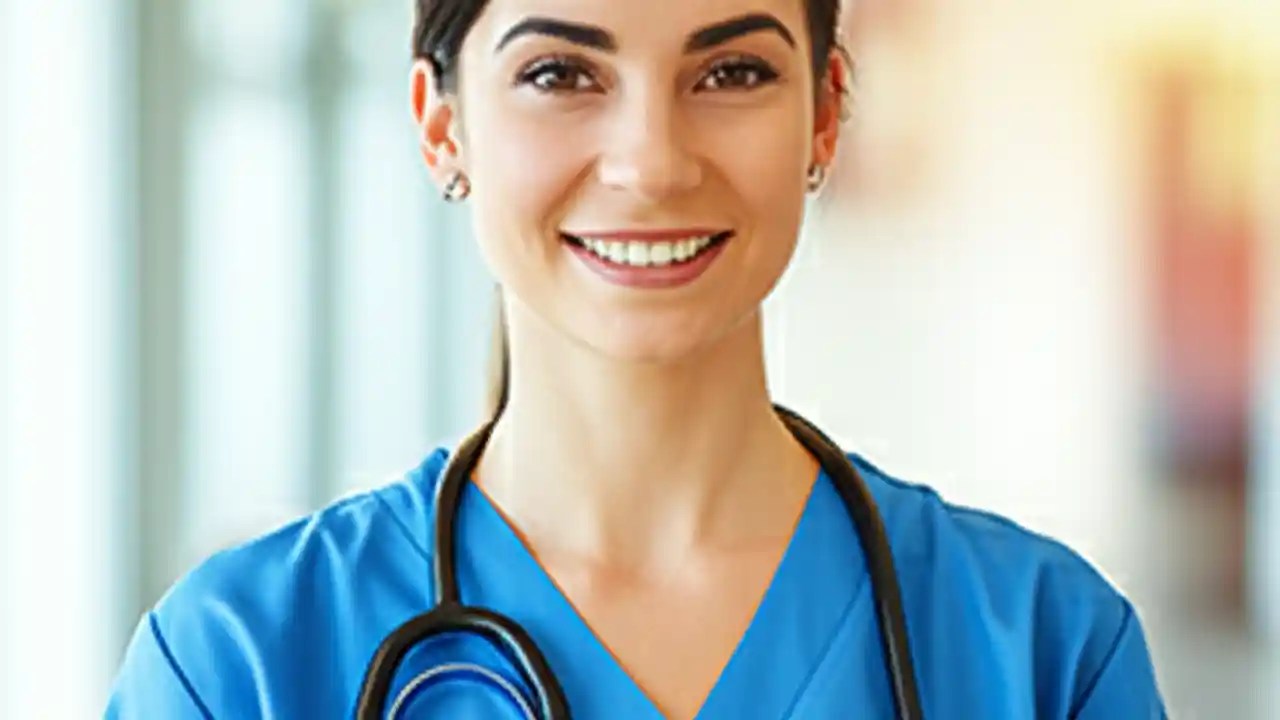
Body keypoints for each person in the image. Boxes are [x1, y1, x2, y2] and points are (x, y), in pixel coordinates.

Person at [105, 0, 1168, 717]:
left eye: (732, 71)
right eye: (560, 73)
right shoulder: (238, 665)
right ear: (441, 126)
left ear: (824, 114)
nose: (651, 163)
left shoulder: (1043, 650)